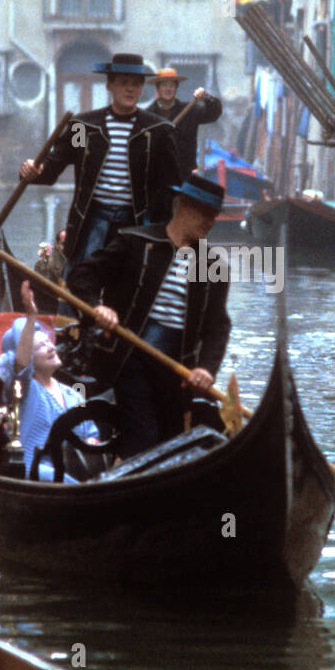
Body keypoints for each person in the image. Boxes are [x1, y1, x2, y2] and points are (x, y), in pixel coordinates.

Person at [67, 173, 231, 459]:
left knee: (172, 443)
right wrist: (98, 308)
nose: (210, 221)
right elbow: (83, 275)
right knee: (144, 437)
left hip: (177, 368)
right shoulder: (135, 243)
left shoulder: (212, 265)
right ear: (182, 206)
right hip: (129, 356)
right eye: (205, 212)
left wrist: (206, 368)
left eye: (214, 215)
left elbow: (218, 326)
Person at [19, 53, 180, 278]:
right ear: (109, 85)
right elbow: (56, 164)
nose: (130, 89)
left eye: (135, 84)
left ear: (143, 88)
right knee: (77, 281)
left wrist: (166, 228)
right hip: (91, 217)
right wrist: (35, 171)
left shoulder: (158, 131)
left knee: (127, 288)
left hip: (134, 222)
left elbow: (172, 186)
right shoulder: (84, 127)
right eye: (123, 83)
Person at [0, 281, 99, 482]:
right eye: (41, 346)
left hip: (77, 468)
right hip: (36, 471)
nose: (52, 347)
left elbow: (90, 432)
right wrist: (31, 315)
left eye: (48, 342)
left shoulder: (73, 393)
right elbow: (21, 365)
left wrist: (92, 443)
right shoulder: (25, 390)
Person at [145, 67, 222, 175]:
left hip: (183, 173)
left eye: (171, 85)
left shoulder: (190, 111)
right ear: (158, 88)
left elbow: (213, 114)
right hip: (156, 174)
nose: (168, 89)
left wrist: (207, 97)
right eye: (164, 85)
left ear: (176, 88)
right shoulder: (147, 115)